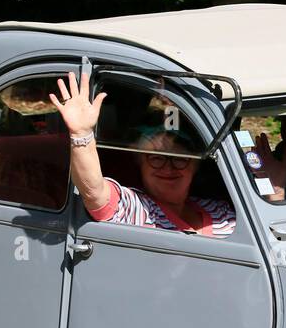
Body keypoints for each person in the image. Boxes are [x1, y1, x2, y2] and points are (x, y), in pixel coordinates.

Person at [49, 71, 236, 237]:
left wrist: (266, 189)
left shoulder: (218, 211)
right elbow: (95, 194)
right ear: (140, 162)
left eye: (179, 159)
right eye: (156, 158)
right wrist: (81, 135)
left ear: (195, 164)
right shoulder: (138, 209)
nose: (168, 168)